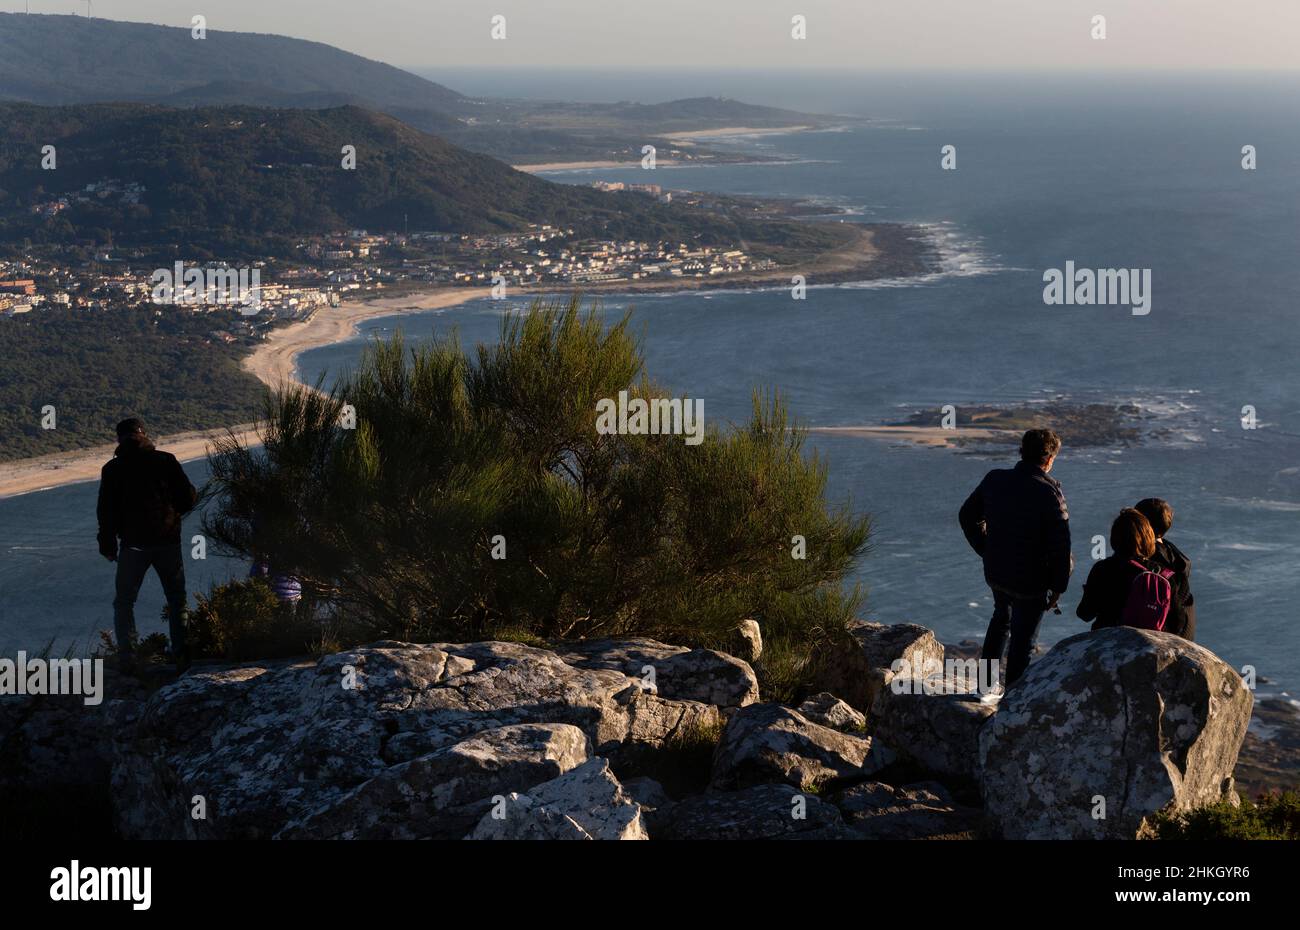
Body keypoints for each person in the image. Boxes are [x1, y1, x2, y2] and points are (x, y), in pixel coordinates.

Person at [959, 428, 1073, 689]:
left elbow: (967, 516)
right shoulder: (1050, 494)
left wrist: (987, 549)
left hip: (997, 572)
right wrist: (1058, 587)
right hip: (1031, 581)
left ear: (1022, 452)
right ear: (1050, 460)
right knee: (1024, 641)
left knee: (1001, 620)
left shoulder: (995, 479)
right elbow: (1061, 547)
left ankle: (985, 689)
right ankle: (1013, 699)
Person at [96, 418, 198, 671]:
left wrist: (107, 545)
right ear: (145, 435)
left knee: (125, 602)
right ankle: (181, 655)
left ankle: (128, 657)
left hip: (133, 546)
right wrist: (172, 516)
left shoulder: (112, 469)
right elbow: (188, 498)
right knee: (176, 598)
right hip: (167, 541)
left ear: (119, 439)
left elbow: (105, 513)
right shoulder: (166, 461)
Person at [1076, 507, 1185, 631]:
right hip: (1148, 644)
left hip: (1109, 641)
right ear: (1148, 538)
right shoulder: (1163, 574)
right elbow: (1179, 622)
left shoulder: (1102, 569)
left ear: (1115, 537)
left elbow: (1085, 614)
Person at [1134, 497, 1196, 641]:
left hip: (1163, 635)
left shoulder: (1149, 561)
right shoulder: (1175, 555)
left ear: (1141, 524)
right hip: (1185, 633)